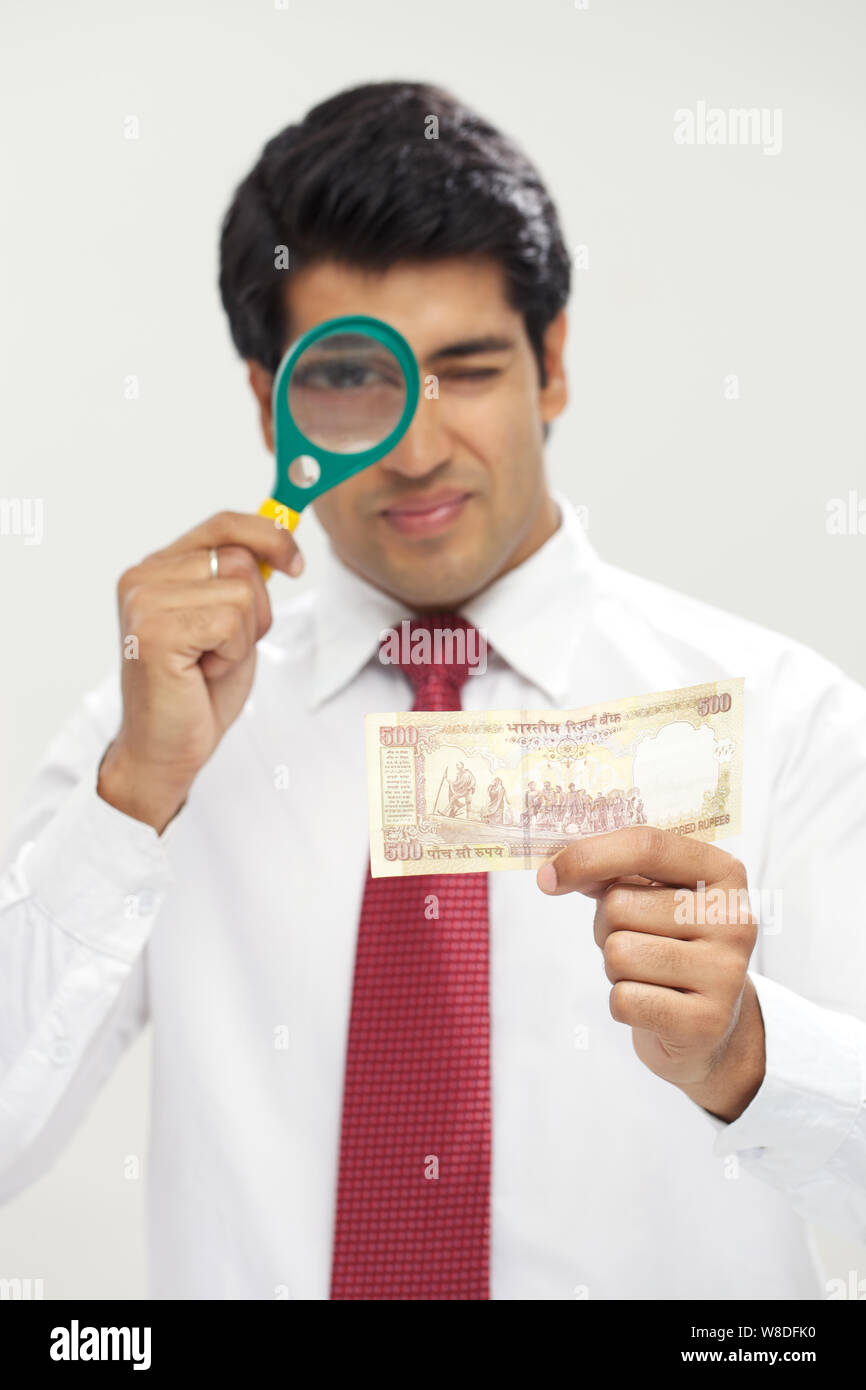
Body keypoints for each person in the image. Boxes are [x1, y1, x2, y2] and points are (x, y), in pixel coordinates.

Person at [1, 80, 864, 1303]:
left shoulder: (783, 717)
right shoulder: (152, 731)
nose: (412, 446)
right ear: (270, 403)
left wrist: (752, 1057)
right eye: (354, 380)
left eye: (462, 369)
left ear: (550, 365)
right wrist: (133, 796)